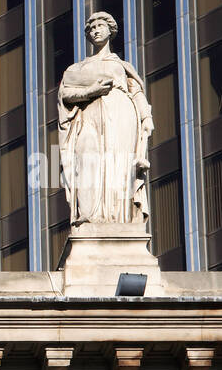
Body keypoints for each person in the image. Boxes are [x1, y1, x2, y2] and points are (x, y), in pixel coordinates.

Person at [57, 11, 153, 226]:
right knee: (86, 155)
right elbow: (65, 94)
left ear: (110, 31)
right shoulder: (77, 68)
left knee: (119, 164)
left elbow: (136, 92)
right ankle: (89, 213)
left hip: (121, 114)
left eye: (100, 26)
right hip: (89, 114)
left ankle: (117, 217)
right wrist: (90, 91)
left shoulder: (122, 65)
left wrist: (146, 117)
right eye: (92, 28)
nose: (96, 30)